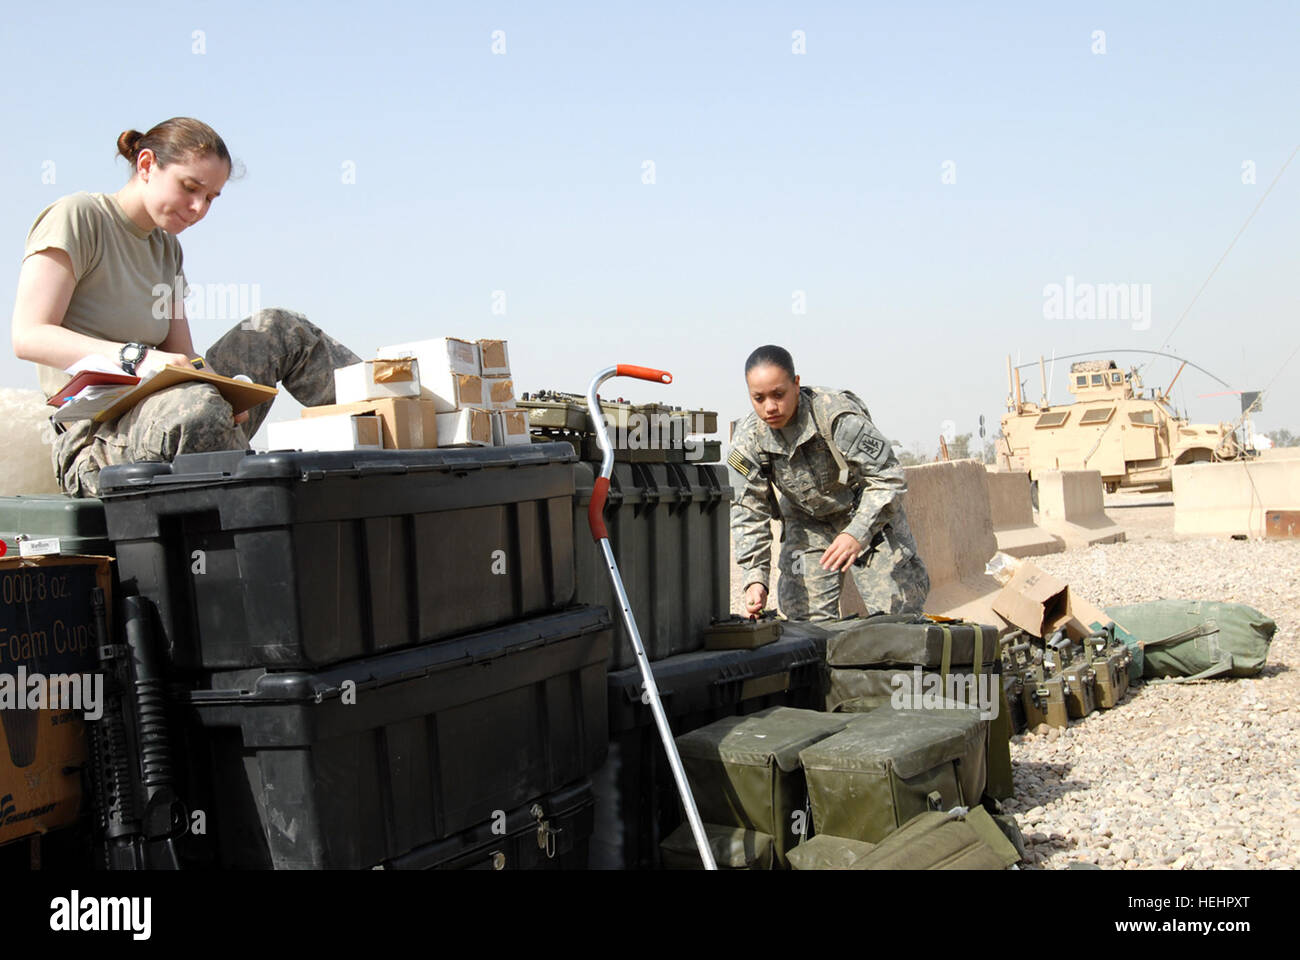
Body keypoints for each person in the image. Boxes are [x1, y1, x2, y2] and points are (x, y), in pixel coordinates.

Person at [10, 117, 360, 497]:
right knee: (197, 409)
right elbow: (28, 335)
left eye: (210, 198)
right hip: (95, 439)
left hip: (174, 415)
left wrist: (225, 393)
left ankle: (405, 422)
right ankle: (260, 500)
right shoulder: (78, 217)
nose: (198, 208)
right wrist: (137, 358)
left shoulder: (166, 248)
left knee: (278, 328)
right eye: (190, 188)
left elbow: (183, 356)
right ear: (146, 165)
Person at [729, 344, 930, 621]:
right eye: (759, 398)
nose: (770, 407)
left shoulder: (836, 417)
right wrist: (755, 578)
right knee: (805, 628)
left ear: (796, 384)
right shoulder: (748, 439)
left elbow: (888, 477)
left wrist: (856, 532)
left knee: (898, 619)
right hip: (807, 523)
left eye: (779, 394)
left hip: (866, 517)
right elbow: (748, 510)